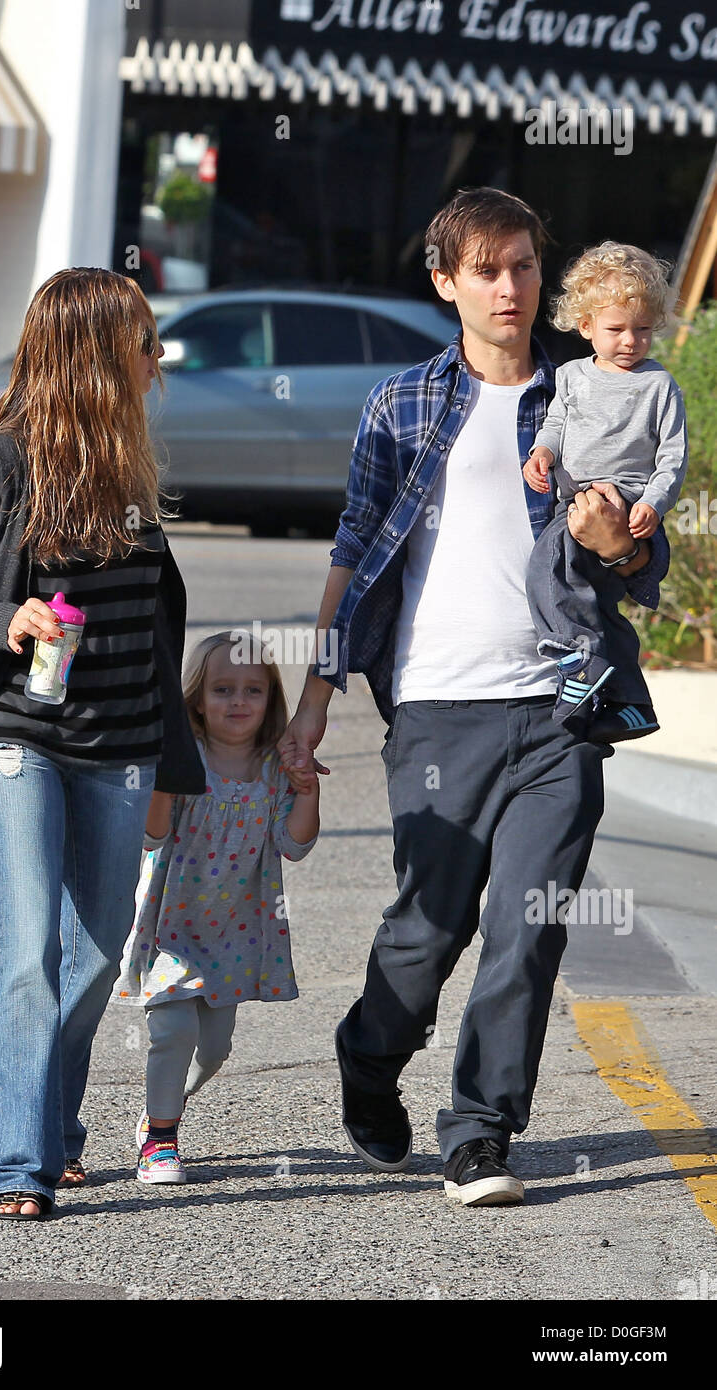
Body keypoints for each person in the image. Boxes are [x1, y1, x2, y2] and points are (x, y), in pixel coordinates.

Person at [277, 187, 670, 1207]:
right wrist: (313, 699)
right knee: (428, 929)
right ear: (444, 281)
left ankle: (479, 1133)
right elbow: (354, 552)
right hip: (436, 708)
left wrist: (619, 544)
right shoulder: (404, 402)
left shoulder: (594, 394)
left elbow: (643, 555)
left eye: (524, 266)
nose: (509, 287)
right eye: (486, 270)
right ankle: (371, 1051)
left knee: (528, 928)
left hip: (562, 705)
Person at [0, 268, 206, 1219]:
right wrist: (9, 616)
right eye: (143, 342)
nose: (158, 359)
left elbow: (152, 625)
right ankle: (14, 1164)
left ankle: (54, 1125)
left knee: (97, 956)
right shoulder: (1, 463)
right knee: (28, 952)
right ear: (93, 354)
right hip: (18, 739)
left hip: (123, 746)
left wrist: (171, 762)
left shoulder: (130, 468)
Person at [113, 631, 320, 1183]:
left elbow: (295, 844)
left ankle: (161, 1108)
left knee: (215, 1049)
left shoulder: (274, 768)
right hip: (170, 924)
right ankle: (160, 1139)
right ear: (198, 700)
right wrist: (164, 776)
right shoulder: (188, 758)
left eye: (253, 689)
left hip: (234, 929)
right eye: (223, 689)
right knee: (173, 1031)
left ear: (271, 699)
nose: (238, 701)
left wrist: (306, 788)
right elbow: (153, 834)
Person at [524, 241, 688, 743]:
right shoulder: (571, 377)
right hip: (574, 503)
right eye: (616, 329)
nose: (631, 342)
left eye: (643, 329)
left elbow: (672, 458)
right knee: (595, 602)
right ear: (585, 326)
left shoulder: (659, 386)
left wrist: (652, 505)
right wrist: (541, 453)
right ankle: (634, 704)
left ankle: (578, 660)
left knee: (545, 571)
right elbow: (555, 425)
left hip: (626, 505)